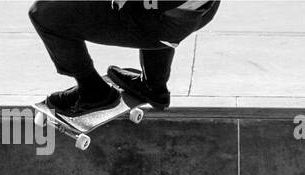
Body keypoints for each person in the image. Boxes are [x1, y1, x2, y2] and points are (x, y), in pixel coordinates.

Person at [30, 1, 221, 119]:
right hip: (201, 10)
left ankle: (93, 93)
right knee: (156, 12)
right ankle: (153, 86)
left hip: (160, 19)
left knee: (44, 13)